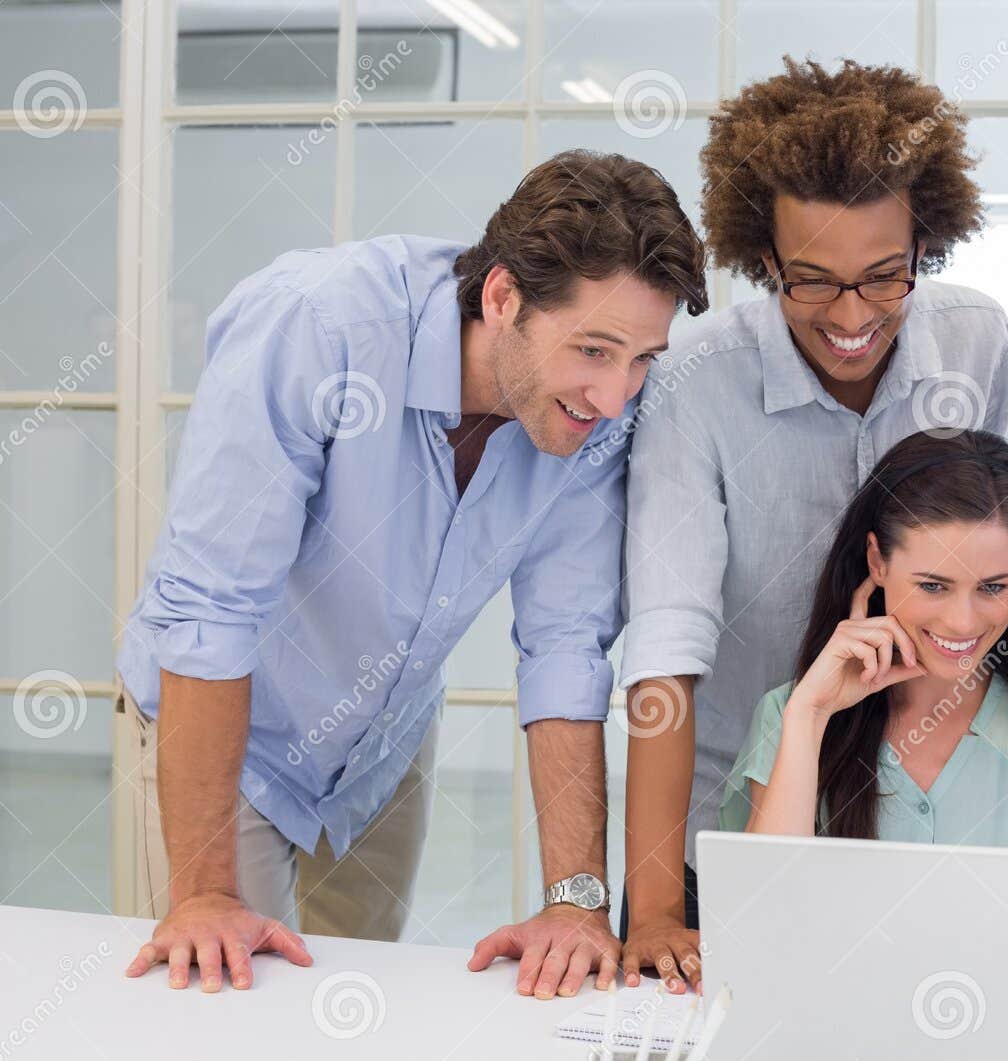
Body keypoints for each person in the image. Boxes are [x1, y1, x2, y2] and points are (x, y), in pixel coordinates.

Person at [117, 151, 708, 998]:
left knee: (350, 1010)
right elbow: (209, 608)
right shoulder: (318, 326)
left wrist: (576, 903)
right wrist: (205, 890)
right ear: (503, 298)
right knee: (226, 1015)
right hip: (231, 736)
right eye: (594, 350)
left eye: (643, 358)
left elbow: (566, 644)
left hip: (382, 750)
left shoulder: (599, 415)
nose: (616, 396)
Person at [618, 58, 1008, 993]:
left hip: (926, 825)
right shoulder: (694, 380)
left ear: (927, 242)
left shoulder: (978, 341)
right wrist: (652, 910)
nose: (852, 318)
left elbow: (1006, 576)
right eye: (811, 282)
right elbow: (666, 649)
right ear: (762, 260)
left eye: (885, 277)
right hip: (732, 827)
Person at [721, 430, 1008, 853]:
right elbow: (765, 908)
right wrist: (811, 715)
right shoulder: (790, 715)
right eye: (934, 586)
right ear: (877, 561)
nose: (962, 622)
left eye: (992, 588)